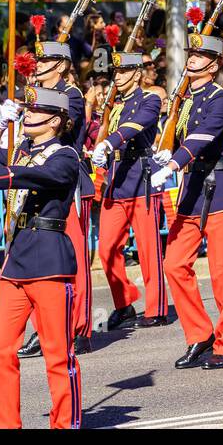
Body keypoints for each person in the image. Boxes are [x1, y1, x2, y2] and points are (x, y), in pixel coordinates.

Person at [0, 87, 83, 429]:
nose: (27, 115)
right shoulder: (23, 151)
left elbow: (37, 176)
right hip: (17, 259)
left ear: (54, 121)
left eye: (34, 111)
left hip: (50, 259)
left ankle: (66, 424)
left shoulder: (65, 155)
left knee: (57, 353)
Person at [150, 31, 223, 370]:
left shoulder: (220, 98)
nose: (192, 59)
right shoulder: (185, 99)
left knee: (222, 273)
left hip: (218, 189)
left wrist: (174, 163)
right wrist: (164, 152)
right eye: (191, 54)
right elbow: (176, 135)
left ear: (214, 65)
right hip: (192, 188)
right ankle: (199, 333)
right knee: (174, 263)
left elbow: (203, 136)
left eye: (200, 56)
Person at [13, 39, 94, 357]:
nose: (37, 67)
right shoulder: (38, 98)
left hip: (67, 183)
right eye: (36, 62)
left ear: (60, 66)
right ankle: (44, 328)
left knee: (74, 261)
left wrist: (26, 118)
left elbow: (58, 131)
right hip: (38, 183)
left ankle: (81, 328)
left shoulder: (71, 96)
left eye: (43, 62)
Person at [91, 51, 165, 330]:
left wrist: (110, 142)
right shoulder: (113, 104)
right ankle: (124, 303)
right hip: (115, 180)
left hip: (139, 177)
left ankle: (156, 307)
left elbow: (139, 124)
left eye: (123, 72)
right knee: (107, 249)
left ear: (136, 74)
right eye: (116, 73)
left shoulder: (150, 98)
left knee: (148, 248)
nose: (118, 77)